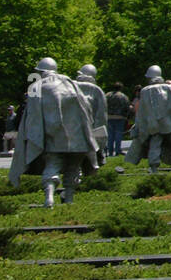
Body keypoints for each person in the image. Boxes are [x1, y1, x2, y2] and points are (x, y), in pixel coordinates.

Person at [9, 58, 99, 206]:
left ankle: (49, 198)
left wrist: (32, 137)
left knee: (53, 164)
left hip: (54, 137)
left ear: (41, 71)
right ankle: (69, 199)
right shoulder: (71, 83)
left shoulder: (37, 86)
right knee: (73, 167)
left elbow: (32, 116)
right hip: (78, 137)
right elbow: (86, 109)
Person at [125, 65, 171, 172]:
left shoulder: (145, 91)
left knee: (155, 143)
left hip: (154, 125)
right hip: (170, 123)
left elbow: (142, 112)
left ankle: (154, 169)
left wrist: (138, 126)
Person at [74, 64, 108, 164]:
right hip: (89, 132)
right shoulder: (97, 90)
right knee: (89, 164)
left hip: (70, 132)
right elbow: (101, 118)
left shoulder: (69, 86)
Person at [105, 82, 131, 157]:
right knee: (118, 134)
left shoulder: (107, 95)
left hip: (109, 117)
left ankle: (110, 152)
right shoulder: (123, 96)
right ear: (121, 88)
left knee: (110, 135)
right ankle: (117, 150)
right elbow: (127, 107)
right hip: (120, 117)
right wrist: (127, 116)